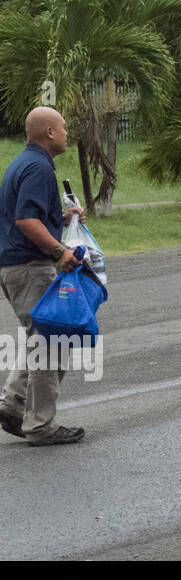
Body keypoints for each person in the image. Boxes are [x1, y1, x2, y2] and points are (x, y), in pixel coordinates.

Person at [0, 107, 87, 445]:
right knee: (53, 342)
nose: (66, 133)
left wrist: (63, 219)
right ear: (49, 132)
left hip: (14, 267)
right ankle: (40, 425)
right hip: (30, 268)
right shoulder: (38, 168)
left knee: (40, 338)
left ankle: (13, 405)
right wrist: (59, 252)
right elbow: (25, 221)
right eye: (63, 128)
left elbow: (26, 216)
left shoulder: (22, 163)